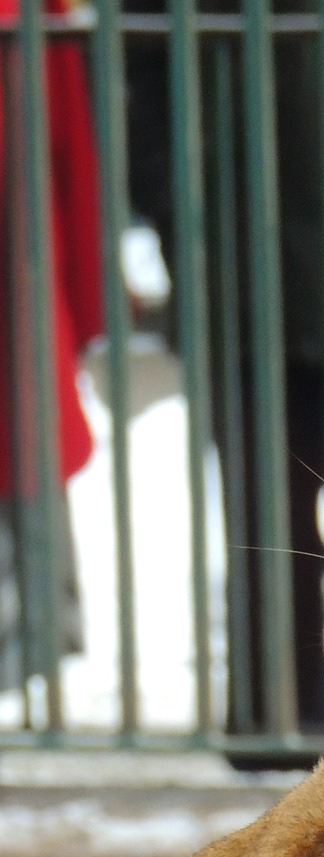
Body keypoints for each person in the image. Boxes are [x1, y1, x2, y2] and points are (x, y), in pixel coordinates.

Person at [0, 0, 102, 690]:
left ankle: (39, 636)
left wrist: (85, 299)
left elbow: (69, 157)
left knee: (27, 441)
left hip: (21, 279)